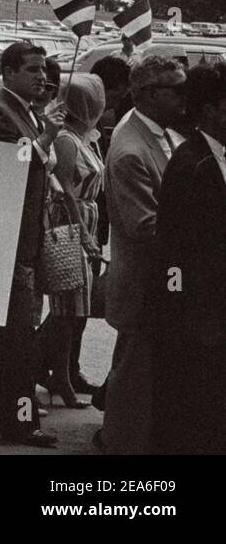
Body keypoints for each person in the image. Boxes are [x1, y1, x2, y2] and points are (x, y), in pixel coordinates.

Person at [0, 41, 65, 447]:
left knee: (4, 339)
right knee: (14, 340)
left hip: (25, 240)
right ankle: (19, 422)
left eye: (43, 70)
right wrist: (50, 136)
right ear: (8, 73)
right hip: (6, 243)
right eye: (32, 69)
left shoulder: (28, 113)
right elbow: (14, 163)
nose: (41, 77)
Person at [101, 53, 185, 454]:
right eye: (177, 91)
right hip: (143, 282)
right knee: (131, 379)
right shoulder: (132, 148)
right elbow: (145, 225)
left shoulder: (161, 134)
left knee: (138, 372)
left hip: (157, 283)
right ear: (151, 94)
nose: (184, 99)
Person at [150, 62, 226, 453]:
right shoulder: (191, 164)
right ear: (211, 110)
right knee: (193, 417)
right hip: (198, 316)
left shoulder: (215, 157)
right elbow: (175, 250)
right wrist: (188, 315)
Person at [35, 73, 105, 409]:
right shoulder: (67, 141)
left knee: (75, 312)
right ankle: (50, 372)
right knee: (66, 312)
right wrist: (85, 234)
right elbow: (63, 192)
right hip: (70, 227)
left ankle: (58, 374)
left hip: (85, 221)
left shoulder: (85, 138)